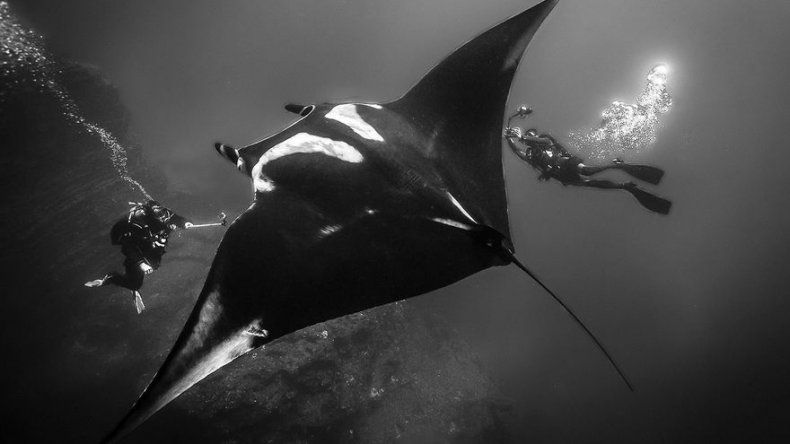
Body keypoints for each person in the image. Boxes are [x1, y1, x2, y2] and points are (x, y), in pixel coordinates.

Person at [504, 106, 672, 215]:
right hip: (560, 175)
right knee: (589, 183)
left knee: (586, 171)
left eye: (532, 134)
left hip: (564, 162)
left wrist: (521, 137)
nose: (531, 136)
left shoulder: (543, 140)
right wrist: (509, 140)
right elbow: (519, 153)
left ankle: (617, 165)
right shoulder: (531, 156)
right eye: (529, 135)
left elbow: (546, 142)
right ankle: (625, 187)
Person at [84, 200, 193, 313]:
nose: (167, 220)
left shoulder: (163, 214)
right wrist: (142, 264)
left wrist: (184, 223)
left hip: (151, 247)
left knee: (154, 265)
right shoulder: (138, 226)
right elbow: (128, 248)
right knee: (135, 283)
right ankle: (110, 279)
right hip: (137, 250)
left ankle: (132, 281)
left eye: (165, 217)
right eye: (163, 219)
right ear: (153, 218)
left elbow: (176, 218)